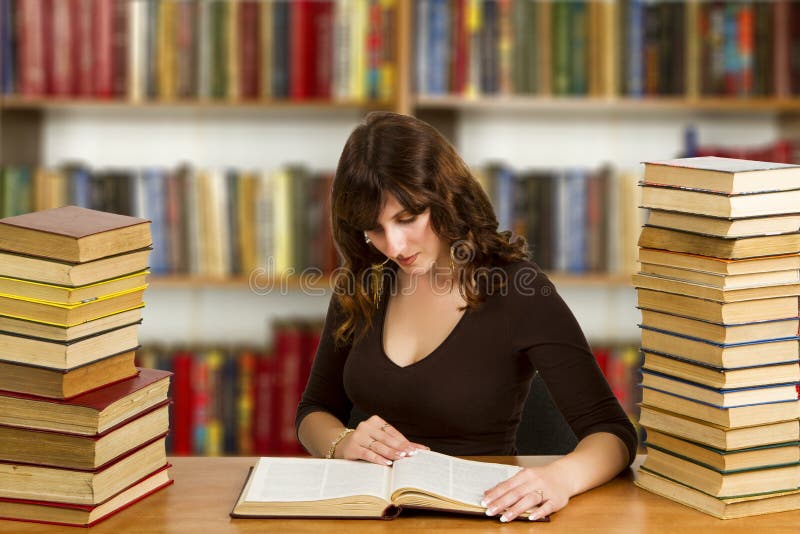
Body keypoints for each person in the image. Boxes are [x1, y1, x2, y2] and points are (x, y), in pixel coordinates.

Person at [296, 111, 638, 522]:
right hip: (365, 513)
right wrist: (341, 441)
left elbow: (613, 434)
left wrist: (558, 479)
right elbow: (313, 409)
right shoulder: (362, 285)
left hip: (477, 515)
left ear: (446, 197)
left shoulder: (518, 290)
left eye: (408, 218)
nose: (394, 244)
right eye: (375, 229)